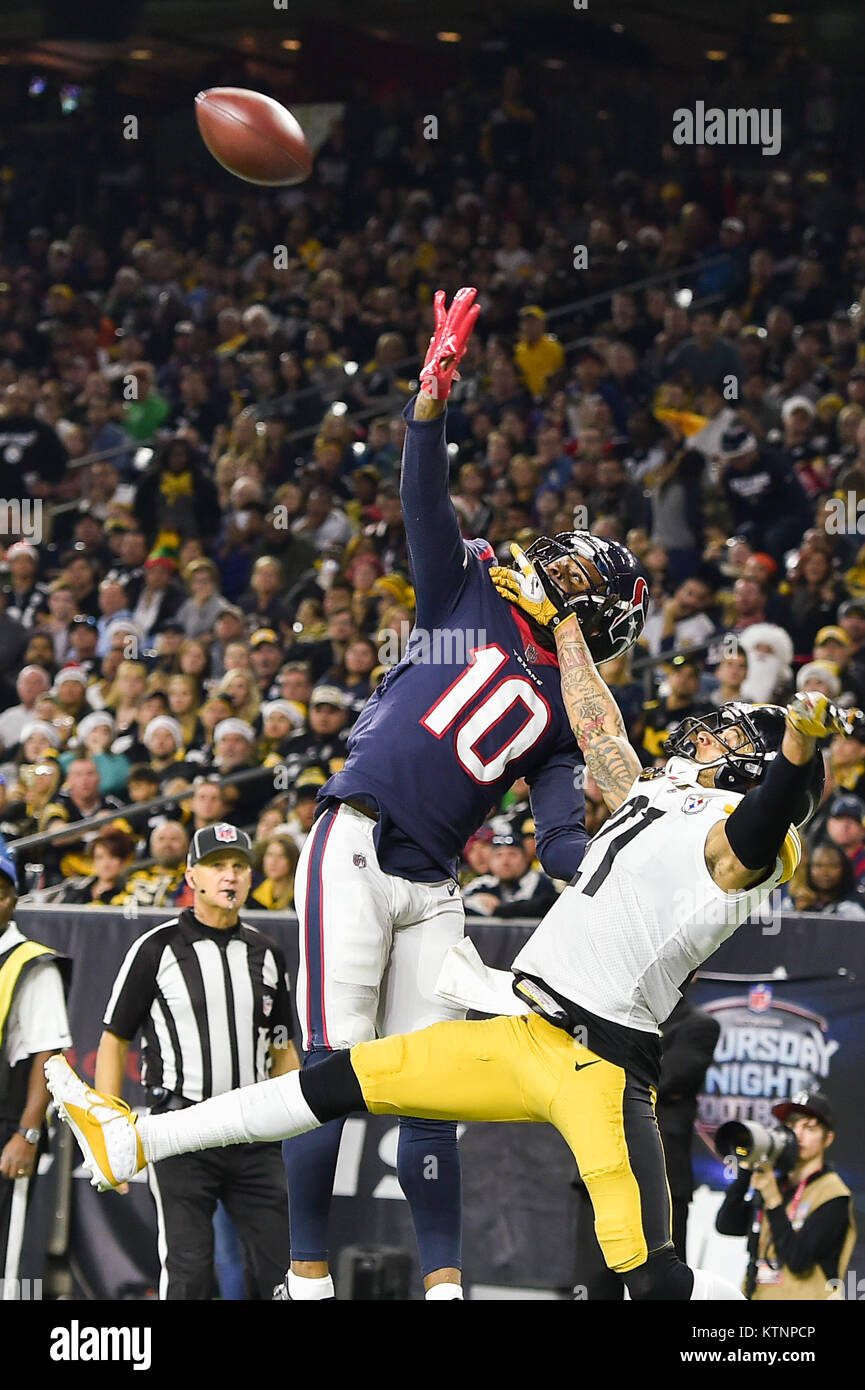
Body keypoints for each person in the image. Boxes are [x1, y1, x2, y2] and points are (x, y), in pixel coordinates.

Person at [49, 525, 848, 1302]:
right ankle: (135, 1140)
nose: (712, 731)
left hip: (600, 1067)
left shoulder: (744, 842)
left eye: (732, 736)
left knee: (651, 1277)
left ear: (750, 770)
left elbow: (759, 825)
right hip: (522, 1026)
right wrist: (567, 628)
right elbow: (595, 723)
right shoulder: (656, 791)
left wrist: (796, 758)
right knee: (339, 1081)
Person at [88, 823, 299, 1299]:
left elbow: (282, 1043)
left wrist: (295, 1122)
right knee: (189, 1268)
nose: (231, 876)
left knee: (282, 1268)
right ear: (193, 876)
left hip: (253, 1129)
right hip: (181, 1127)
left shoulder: (267, 953)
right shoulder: (156, 949)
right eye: (218, 866)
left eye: (239, 867)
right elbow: (113, 1039)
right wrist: (108, 1132)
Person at [0, 843, 71, 1291]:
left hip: (6, 1129)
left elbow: (48, 1054)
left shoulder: (31, 962)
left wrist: (27, 1134)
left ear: (13, 898)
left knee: (7, 1262)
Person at [715, 1085, 856, 1300]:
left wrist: (773, 1200)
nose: (797, 1135)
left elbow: (799, 1261)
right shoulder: (777, 1184)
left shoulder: (834, 1194)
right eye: (791, 1125)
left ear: (827, 1138)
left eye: (809, 1127)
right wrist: (747, 1166)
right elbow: (727, 1224)